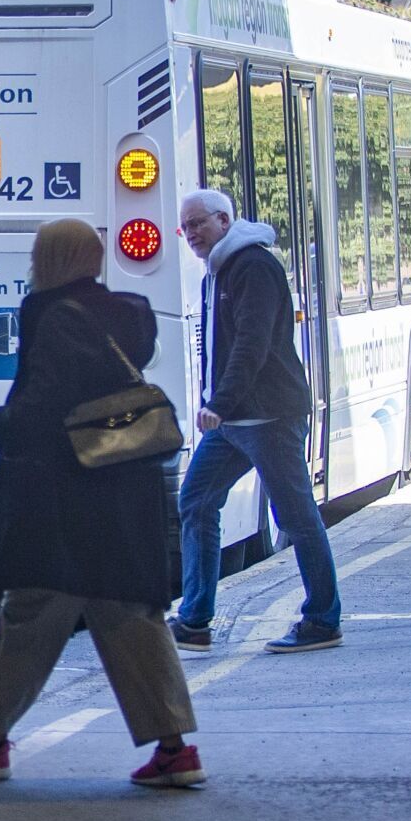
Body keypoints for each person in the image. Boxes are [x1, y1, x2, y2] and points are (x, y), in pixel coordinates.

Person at [0, 219, 204, 788]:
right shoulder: (128, 313)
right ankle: (174, 751)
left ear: (50, 257)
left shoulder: (54, 316)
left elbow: (50, 408)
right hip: (125, 492)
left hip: (66, 500)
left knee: (33, 610)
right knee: (128, 616)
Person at [169, 189, 342, 654]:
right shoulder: (218, 271)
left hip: (269, 416)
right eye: (186, 226)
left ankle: (323, 619)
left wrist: (220, 403)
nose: (191, 233)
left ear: (224, 220)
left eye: (199, 223)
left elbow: (252, 343)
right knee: (196, 500)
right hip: (233, 421)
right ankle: (194, 621)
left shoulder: (253, 267)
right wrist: (218, 404)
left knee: (295, 516)